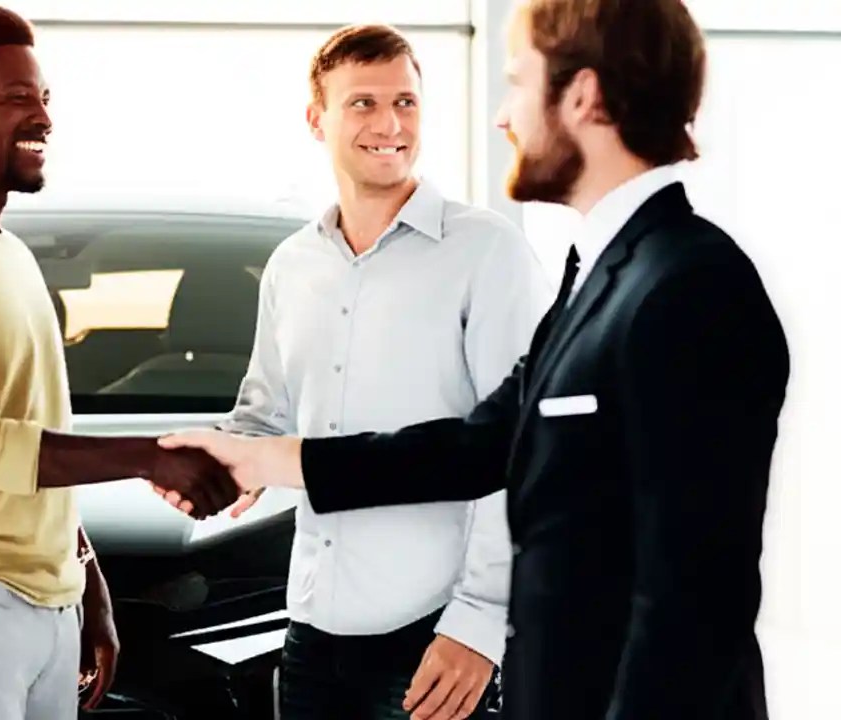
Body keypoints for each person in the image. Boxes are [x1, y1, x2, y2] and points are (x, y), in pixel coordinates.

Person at [160, 1, 791, 719]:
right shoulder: (602, 275)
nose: (501, 116)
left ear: (580, 96)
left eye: (517, 82)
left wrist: (476, 626)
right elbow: (473, 449)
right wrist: (259, 460)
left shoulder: (689, 283)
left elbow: (694, 595)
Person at [0, 4, 238, 719]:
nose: (43, 118)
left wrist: (86, 585)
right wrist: (152, 455)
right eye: (15, 98)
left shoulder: (9, 254)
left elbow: (33, 434)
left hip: (46, 608)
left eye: (45, 98)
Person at [165, 23, 548, 720]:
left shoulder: (487, 253)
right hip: (311, 631)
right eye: (363, 104)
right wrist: (209, 464)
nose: (389, 125)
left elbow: (519, 451)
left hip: (432, 634)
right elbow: (264, 415)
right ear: (317, 119)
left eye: (404, 103)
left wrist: (480, 625)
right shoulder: (291, 266)